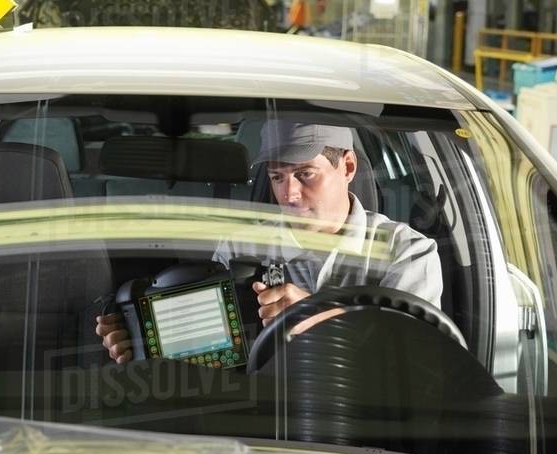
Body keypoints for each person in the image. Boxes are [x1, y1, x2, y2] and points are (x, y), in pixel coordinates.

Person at [95, 122, 444, 363]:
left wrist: (322, 319)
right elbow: (208, 356)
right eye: (277, 177)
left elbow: (418, 361)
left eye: (305, 174)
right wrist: (144, 345)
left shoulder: (406, 253)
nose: (289, 194)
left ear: (348, 167)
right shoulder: (239, 248)